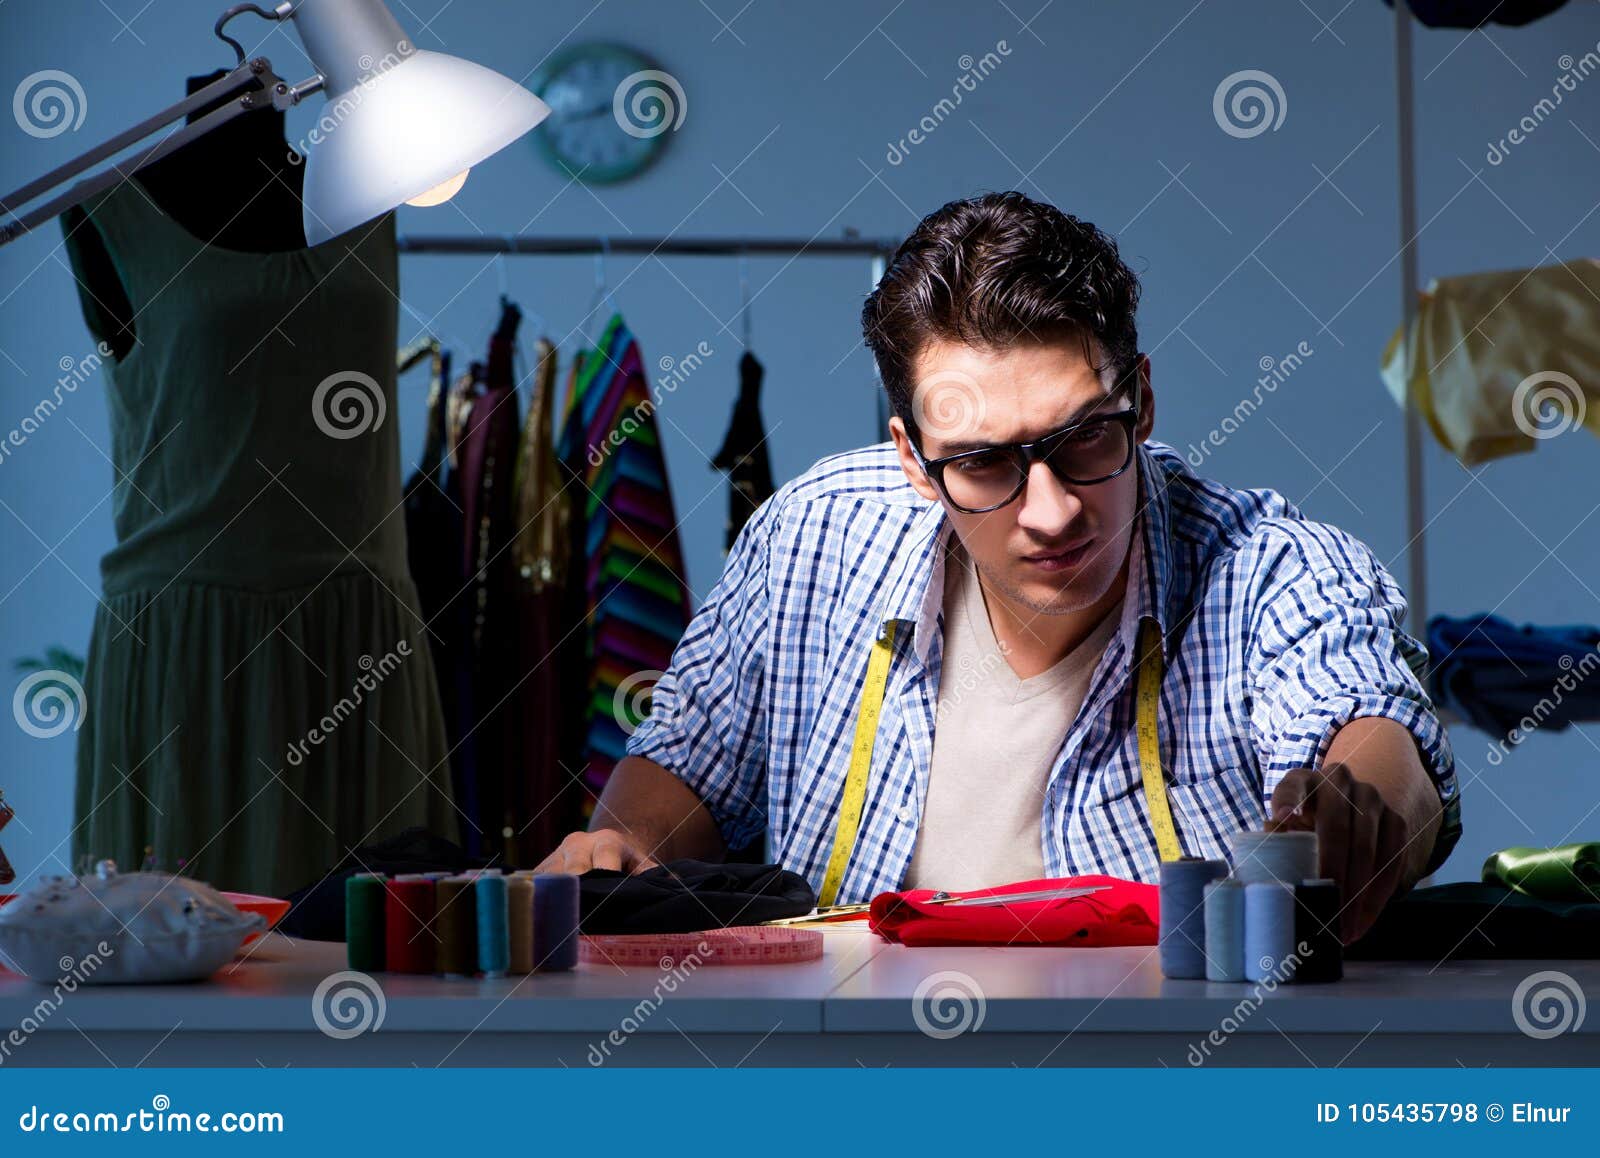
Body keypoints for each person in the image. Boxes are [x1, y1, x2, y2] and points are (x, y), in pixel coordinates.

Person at [536, 191, 1460, 943]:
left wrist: (1360, 806)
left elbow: (1377, 739)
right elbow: (685, 770)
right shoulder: (811, 540)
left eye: (1087, 436)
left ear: (1141, 401)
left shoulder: (1266, 569)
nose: (1053, 510)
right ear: (910, 456)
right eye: (984, 464)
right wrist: (614, 855)